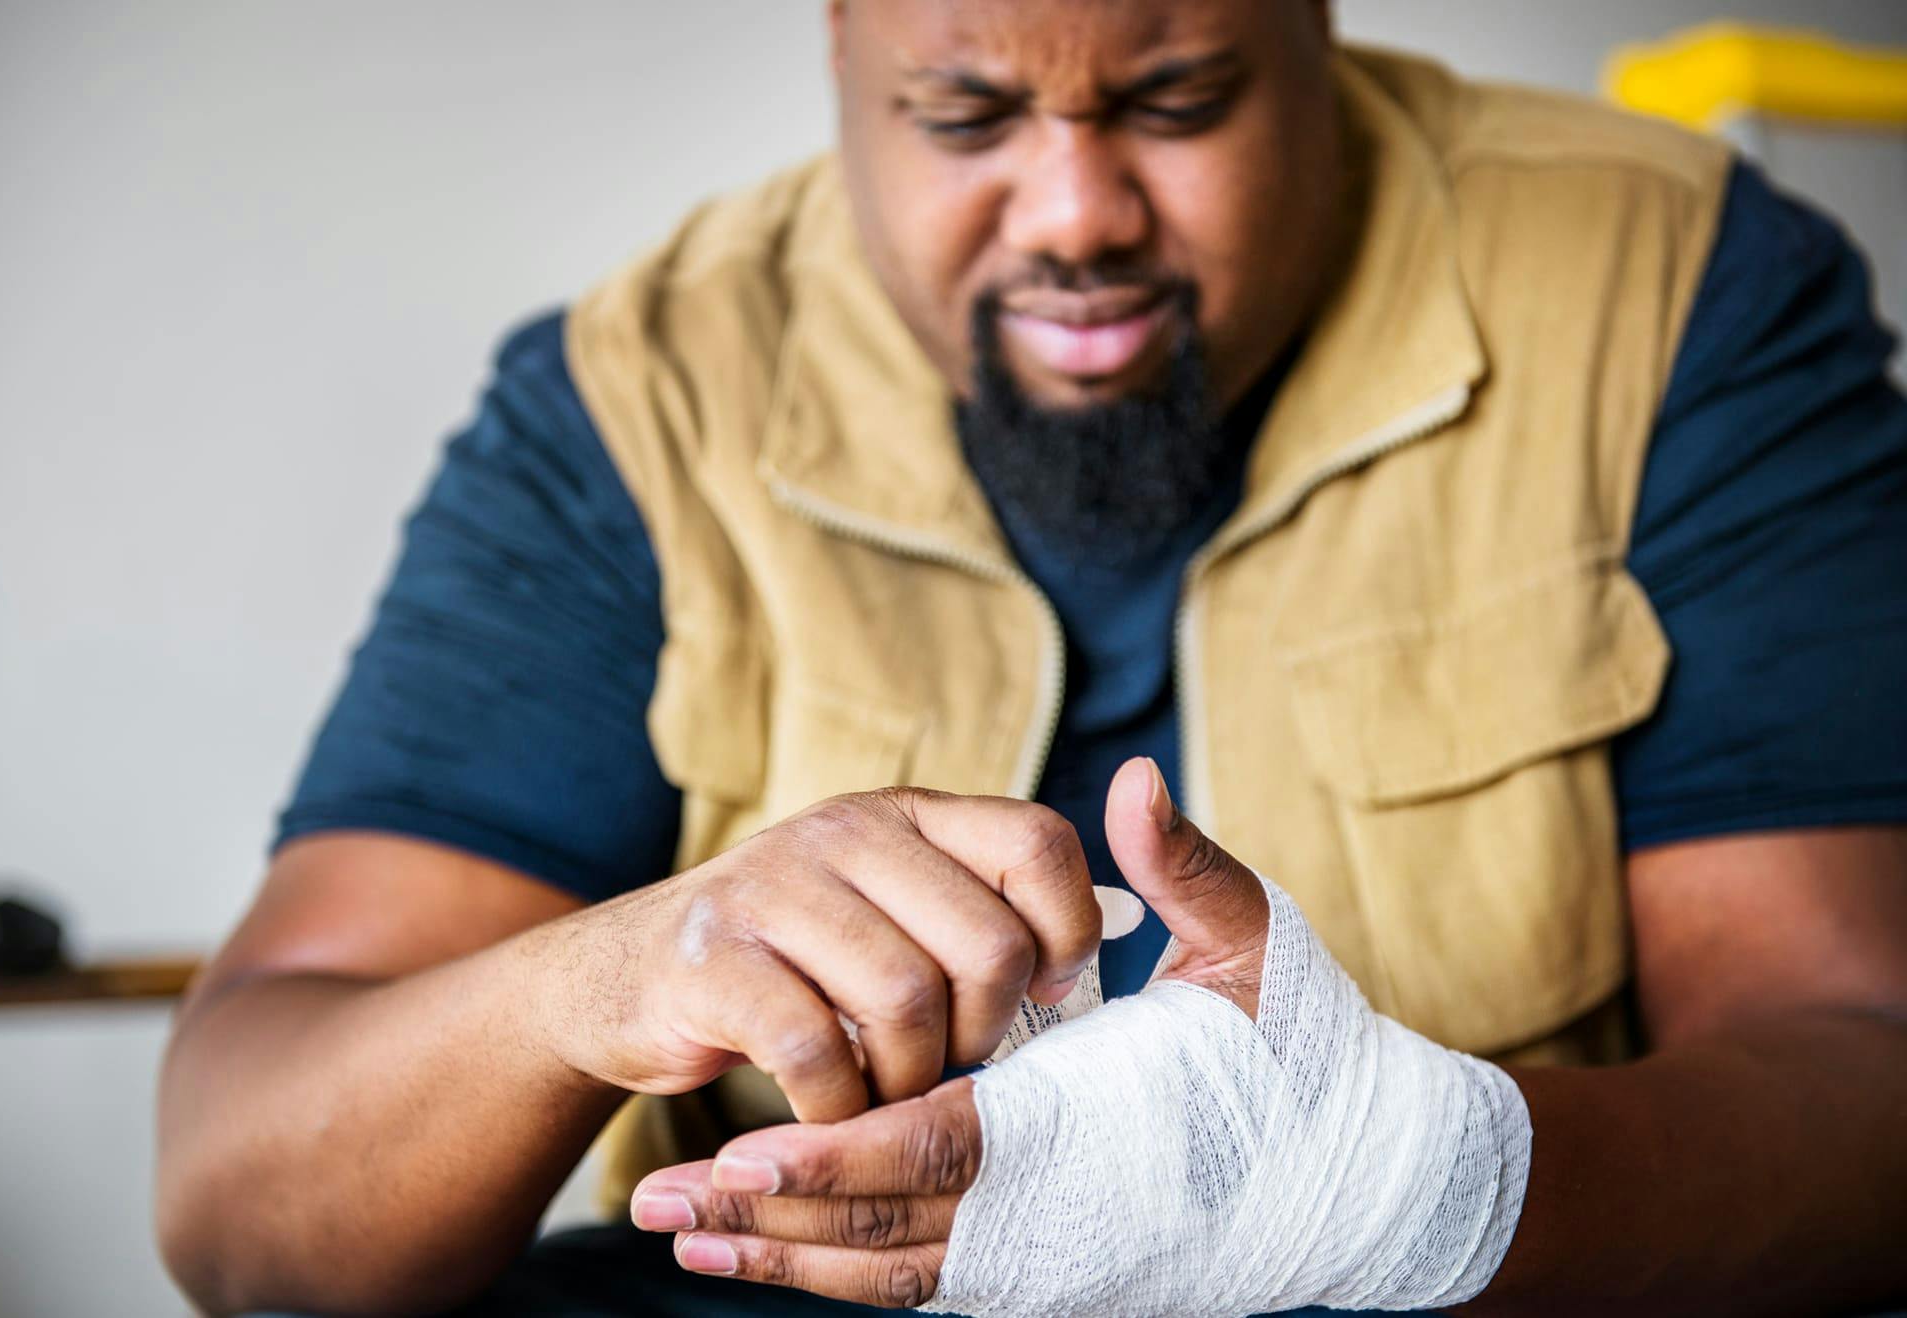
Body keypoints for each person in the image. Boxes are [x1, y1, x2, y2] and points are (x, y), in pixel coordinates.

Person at [155, 1, 1907, 1314]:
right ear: (843, 52)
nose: (1075, 211)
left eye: (1176, 98)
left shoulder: (1670, 283)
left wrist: (1397, 1171)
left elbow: (1862, 1089)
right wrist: (586, 985)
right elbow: (238, 1206)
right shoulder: (643, 392)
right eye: (965, 110)